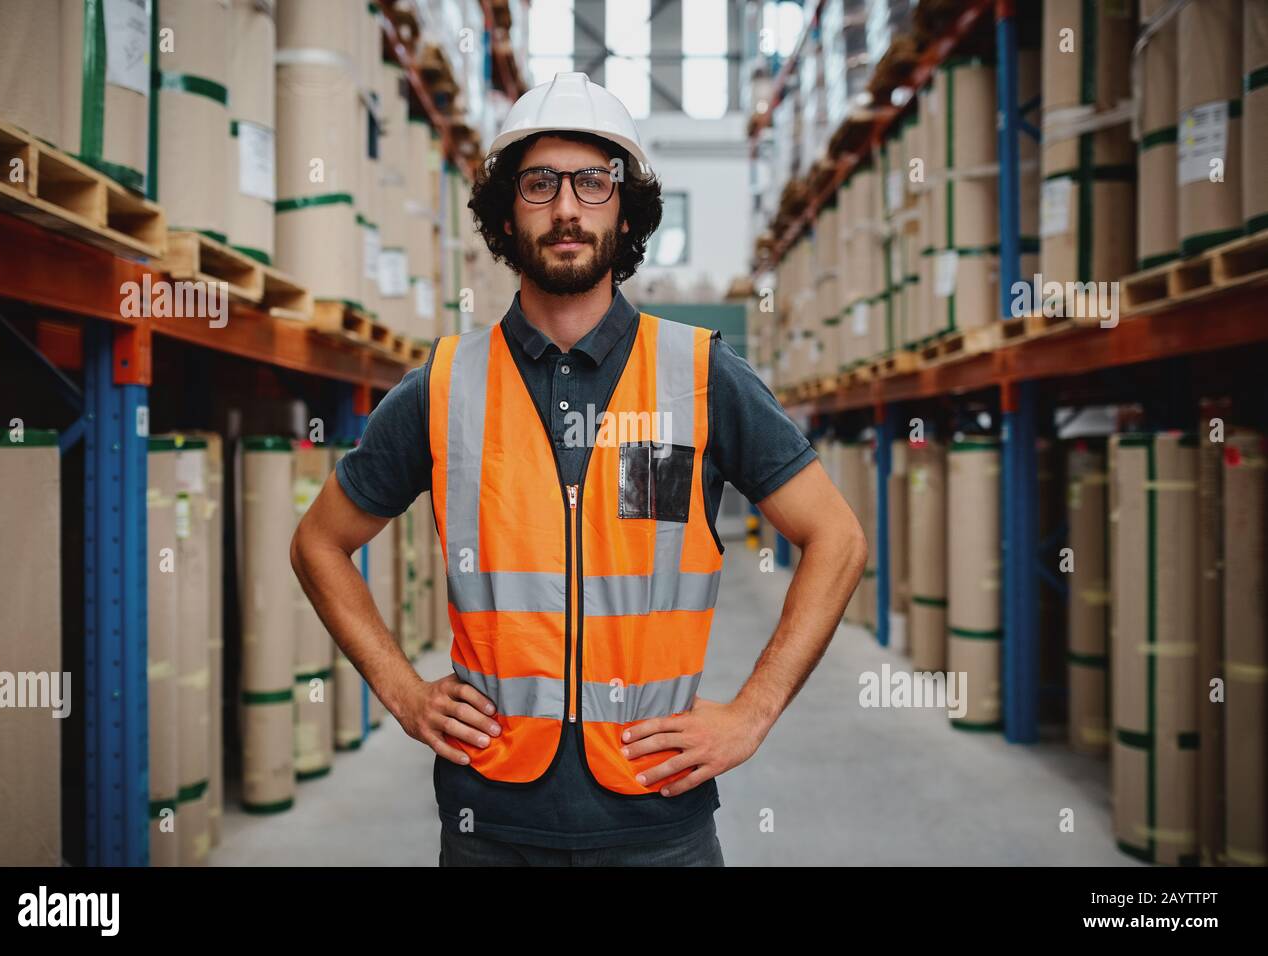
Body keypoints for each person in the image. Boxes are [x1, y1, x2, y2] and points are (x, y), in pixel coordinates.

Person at [290, 72, 867, 867]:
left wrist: (752, 713)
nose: (566, 207)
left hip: (659, 820)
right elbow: (318, 542)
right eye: (539, 184)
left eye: (593, 183)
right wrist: (401, 689)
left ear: (624, 210)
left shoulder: (698, 373)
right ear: (505, 213)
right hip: (489, 823)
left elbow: (836, 537)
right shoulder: (447, 385)